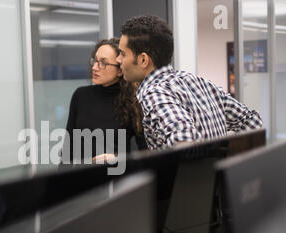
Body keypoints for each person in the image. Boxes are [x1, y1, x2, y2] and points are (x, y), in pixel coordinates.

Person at [116, 15, 263, 151]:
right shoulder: (197, 81)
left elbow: (185, 142)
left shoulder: (154, 92)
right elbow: (252, 122)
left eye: (122, 54)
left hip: (188, 180)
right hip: (216, 178)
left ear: (143, 60)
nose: (118, 60)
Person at [62, 38, 147, 164]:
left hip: (117, 178)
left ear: (120, 70)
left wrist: (118, 159)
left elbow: (146, 153)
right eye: (95, 61)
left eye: (103, 63)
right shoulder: (80, 96)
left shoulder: (133, 102)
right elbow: (67, 150)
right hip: (83, 179)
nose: (95, 67)